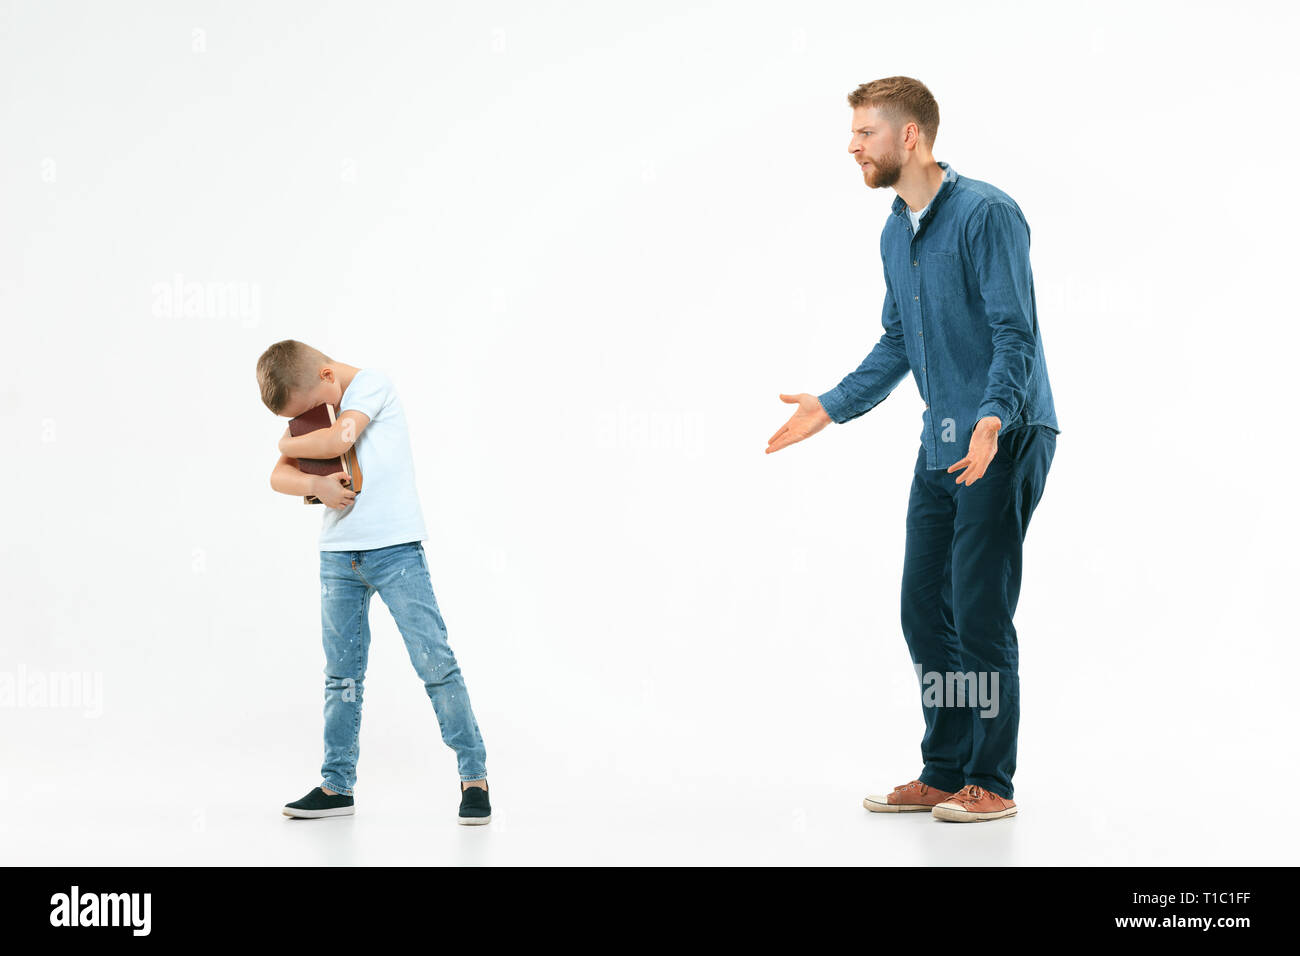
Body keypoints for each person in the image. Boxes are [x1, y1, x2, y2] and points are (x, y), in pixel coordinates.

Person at [765, 77, 1059, 823]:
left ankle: (992, 782)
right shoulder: (897, 231)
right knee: (925, 612)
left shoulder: (986, 214)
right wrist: (831, 406)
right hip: (945, 443)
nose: (853, 145)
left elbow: (1014, 334)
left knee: (979, 611)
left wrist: (994, 417)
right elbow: (899, 340)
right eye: (854, 132)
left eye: (865, 132)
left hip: (1007, 434)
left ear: (911, 138)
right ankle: (946, 767)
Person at [256, 339, 491, 825]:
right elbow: (279, 477)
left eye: (308, 410)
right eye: (296, 419)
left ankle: (474, 775)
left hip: (396, 551)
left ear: (325, 376)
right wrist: (315, 484)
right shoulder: (314, 404)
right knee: (341, 676)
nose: (306, 420)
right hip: (338, 558)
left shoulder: (371, 385)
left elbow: (340, 440)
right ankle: (337, 785)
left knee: (435, 663)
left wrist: (285, 444)